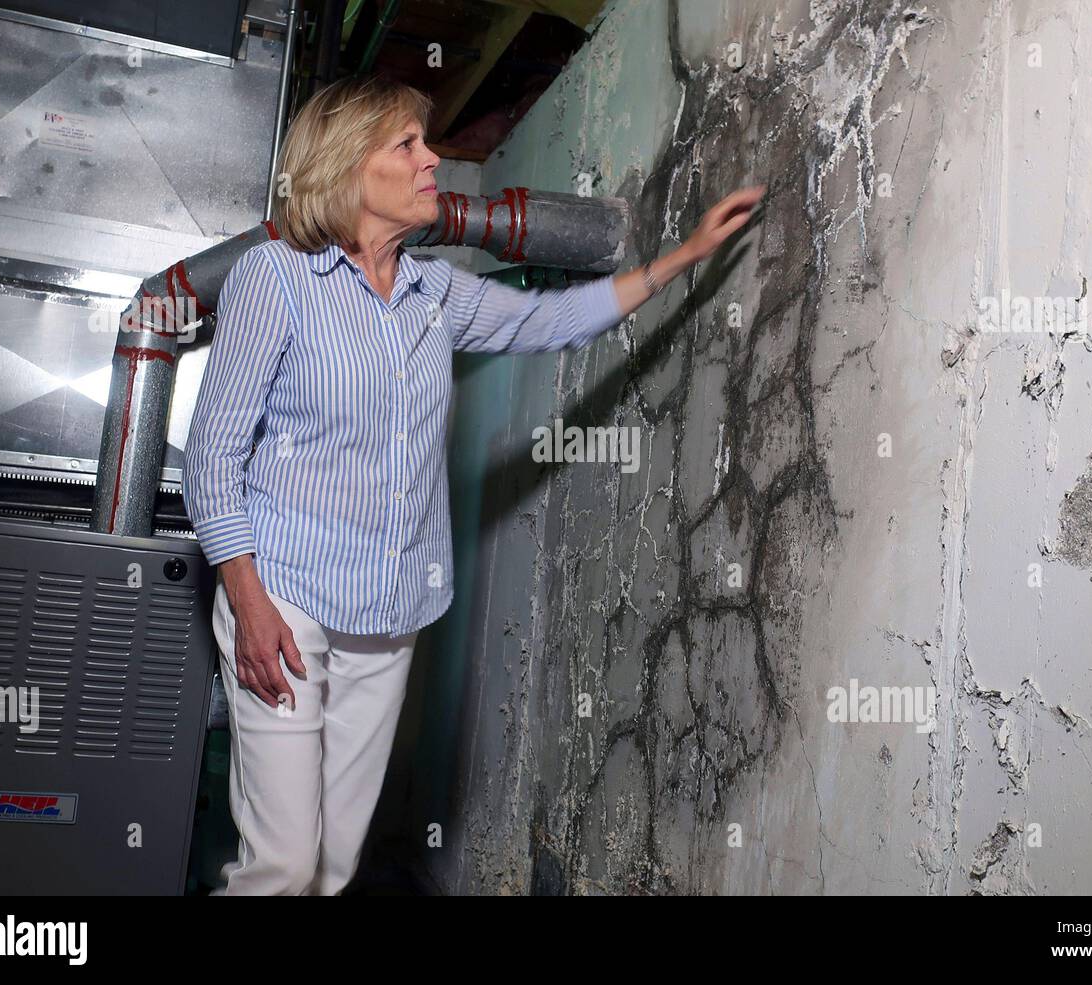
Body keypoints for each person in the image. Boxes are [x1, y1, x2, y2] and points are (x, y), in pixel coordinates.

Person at [182, 74, 763, 896]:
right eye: (408, 146)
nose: (433, 161)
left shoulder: (434, 292)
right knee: (280, 864)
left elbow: (550, 322)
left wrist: (684, 257)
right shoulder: (273, 281)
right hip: (285, 598)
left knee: (333, 866)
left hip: (390, 611)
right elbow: (210, 454)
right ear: (349, 169)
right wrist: (245, 598)